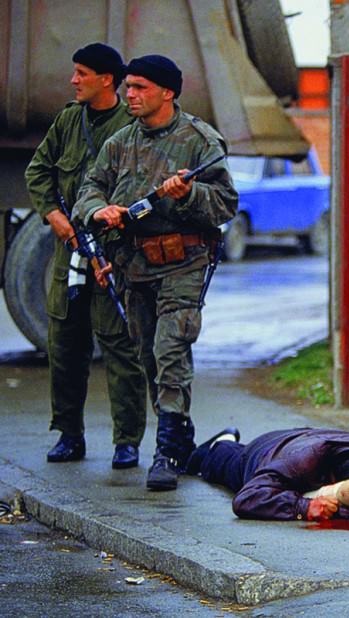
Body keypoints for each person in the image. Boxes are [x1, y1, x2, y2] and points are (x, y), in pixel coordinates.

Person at [74, 54, 238, 491]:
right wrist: (98, 209)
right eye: (127, 87)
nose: (130, 94)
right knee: (146, 353)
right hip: (133, 264)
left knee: (170, 349)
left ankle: (166, 450)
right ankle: (181, 435)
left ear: (167, 92)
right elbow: (88, 190)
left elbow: (224, 204)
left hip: (183, 262)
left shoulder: (200, 141)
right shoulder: (119, 143)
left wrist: (187, 195)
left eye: (140, 87)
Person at [24, 43, 147, 470]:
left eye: (81, 73)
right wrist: (53, 215)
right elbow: (38, 171)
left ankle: (127, 440)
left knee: (121, 348)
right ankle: (68, 434)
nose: (73, 80)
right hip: (71, 255)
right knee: (65, 347)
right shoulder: (68, 121)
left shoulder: (132, 126)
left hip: (113, 259)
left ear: (106, 79)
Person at [185, 426, 349, 521]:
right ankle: (220, 443)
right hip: (262, 453)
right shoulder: (298, 464)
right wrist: (303, 506)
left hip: (305, 438)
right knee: (218, 461)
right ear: (333, 480)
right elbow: (246, 498)